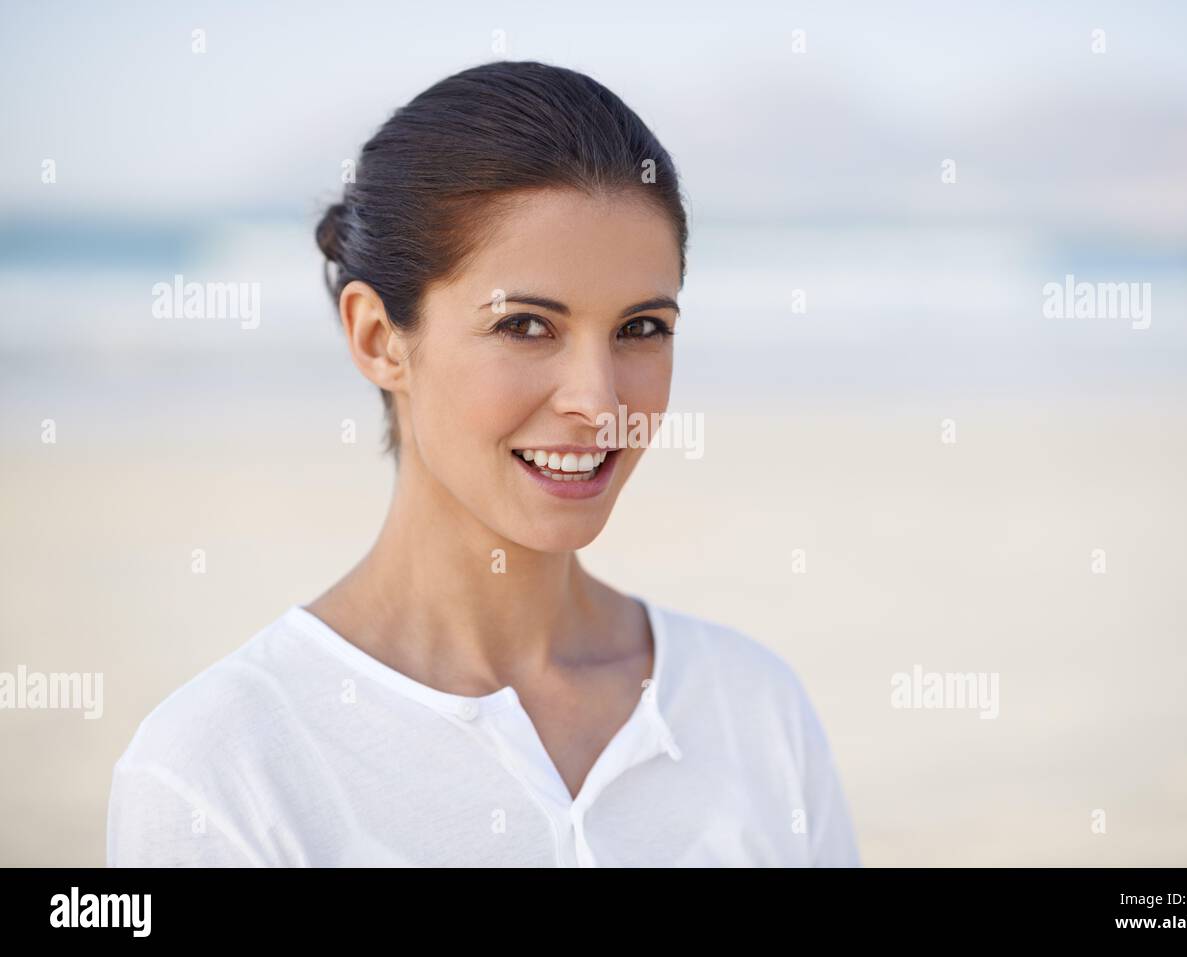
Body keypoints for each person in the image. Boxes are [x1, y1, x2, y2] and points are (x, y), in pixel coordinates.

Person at [106, 60, 860, 867]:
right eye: (527, 327)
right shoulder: (223, 770)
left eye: (640, 328)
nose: (599, 404)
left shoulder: (754, 710)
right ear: (377, 338)